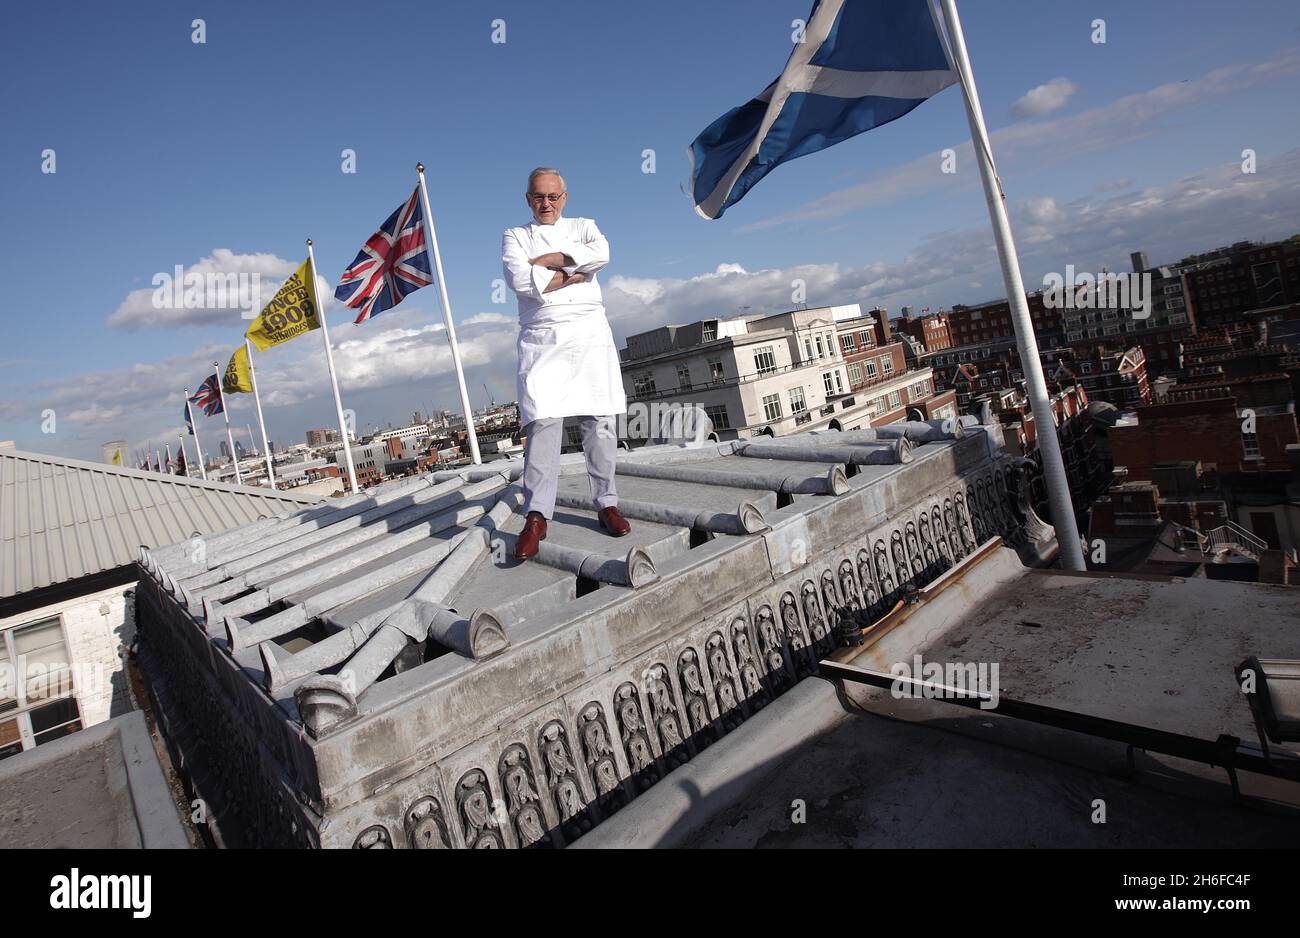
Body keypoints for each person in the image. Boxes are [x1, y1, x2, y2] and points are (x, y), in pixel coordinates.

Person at [501, 167, 630, 560]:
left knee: (600, 422)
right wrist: (576, 271)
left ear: (565, 197)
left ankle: (606, 502)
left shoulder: (585, 225)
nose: (546, 204)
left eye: (553, 196)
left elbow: (603, 254)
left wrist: (553, 262)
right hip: (544, 337)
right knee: (542, 423)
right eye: (539, 196)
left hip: (590, 333)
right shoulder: (514, 236)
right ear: (528, 199)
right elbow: (521, 281)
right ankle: (537, 515)